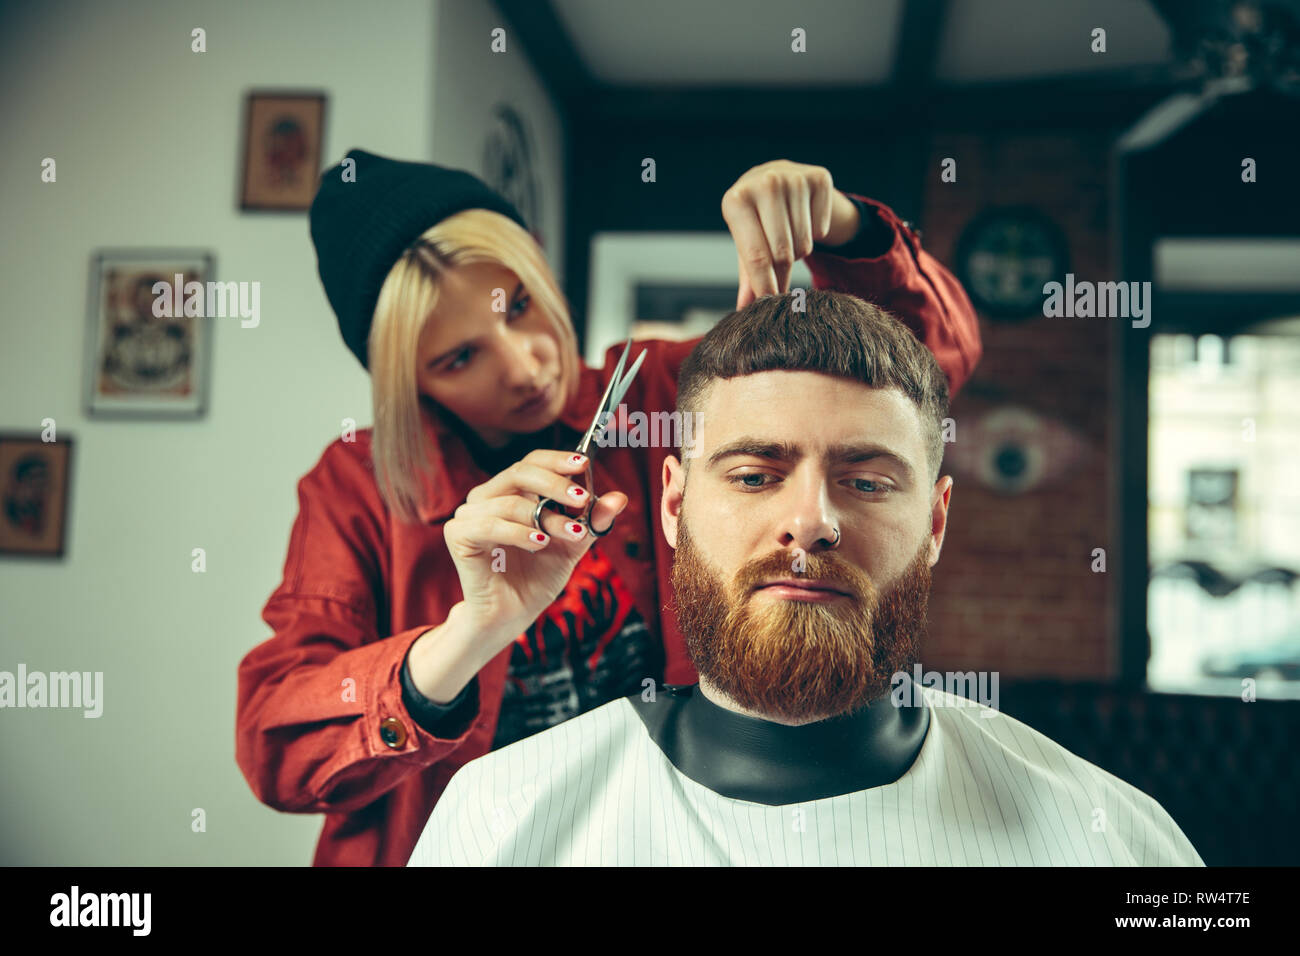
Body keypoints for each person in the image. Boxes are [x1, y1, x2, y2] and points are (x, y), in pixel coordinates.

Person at [235, 149, 983, 866]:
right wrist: (471, 633)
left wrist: (844, 226)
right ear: (407, 379)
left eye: (520, 305)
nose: (525, 364)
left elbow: (912, 371)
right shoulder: (357, 485)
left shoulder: (656, 395)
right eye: (459, 358)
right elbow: (277, 751)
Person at [408, 290, 1204, 867]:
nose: (812, 522)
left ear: (935, 522)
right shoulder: (500, 817)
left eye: (867, 481)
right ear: (673, 505)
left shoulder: (1113, 840)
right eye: (755, 476)